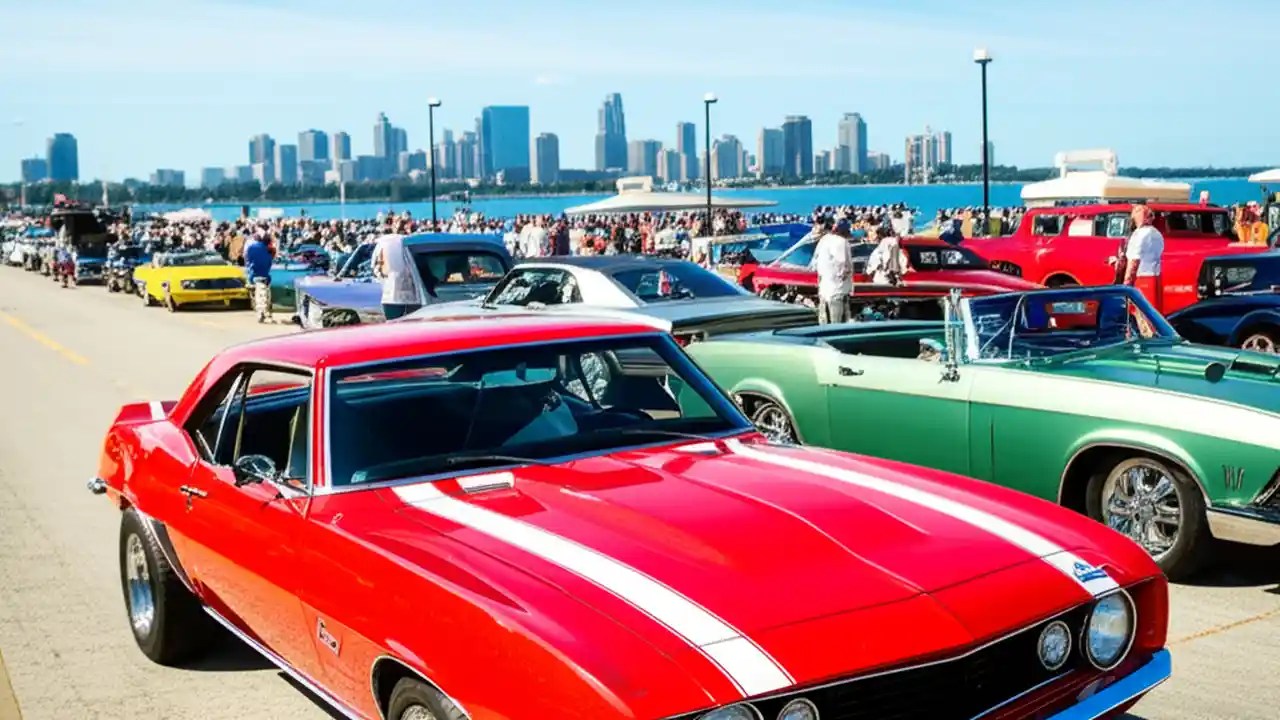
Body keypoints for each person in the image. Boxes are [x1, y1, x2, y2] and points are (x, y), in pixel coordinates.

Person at [1120, 205, 1165, 311]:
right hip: (1156, 279)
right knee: (1154, 316)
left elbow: (1134, 262)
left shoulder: (1139, 235)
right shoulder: (1157, 234)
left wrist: (1125, 287)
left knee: (1140, 317)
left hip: (1141, 281)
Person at [813, 218, 853, 324]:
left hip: (824, 290)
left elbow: (816, 260)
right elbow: (844, 265)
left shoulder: (824, 240)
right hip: (838, 290)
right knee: (838, 326)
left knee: (824, 324)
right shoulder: (842, 242)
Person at [372, 232, 418, 319]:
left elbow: (375, 267)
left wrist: (384, 278)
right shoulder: (409, 243)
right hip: (413, 296)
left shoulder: (383, 244)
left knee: (393, 325)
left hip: (390, 295)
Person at [243, 233, 274, 323]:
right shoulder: (268, 250)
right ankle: (267, 308)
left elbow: (247, 259)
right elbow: (269, 263)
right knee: (267, 290)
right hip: (264, 276)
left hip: (253, 275)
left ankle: (260, 309)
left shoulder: (252, 247)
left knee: (254, 289)